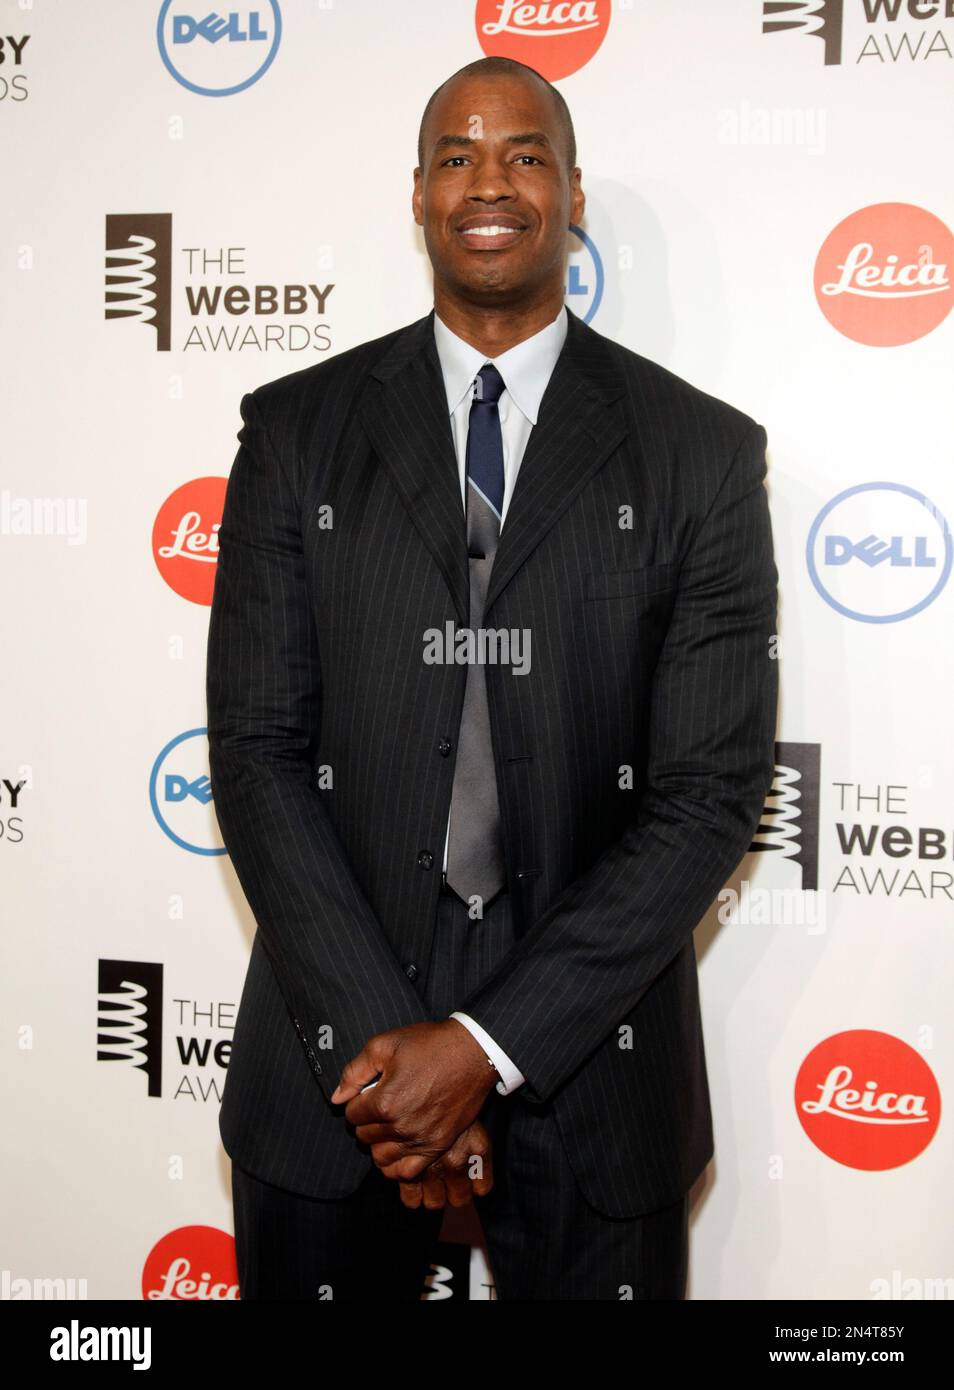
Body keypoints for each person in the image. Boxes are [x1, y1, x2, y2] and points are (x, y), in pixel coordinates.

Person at [206, 54, 779, 1302]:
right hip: (331, 1076)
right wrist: (394, 1061)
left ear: (572, 195)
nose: (491, 180)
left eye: (526, 154)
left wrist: (481, 1048)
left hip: (593, 1066)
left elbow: (707, 795)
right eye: (458, 154)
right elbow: (254, 752)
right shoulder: (293, 430)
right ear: (416, 195)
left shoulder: (702, 455)